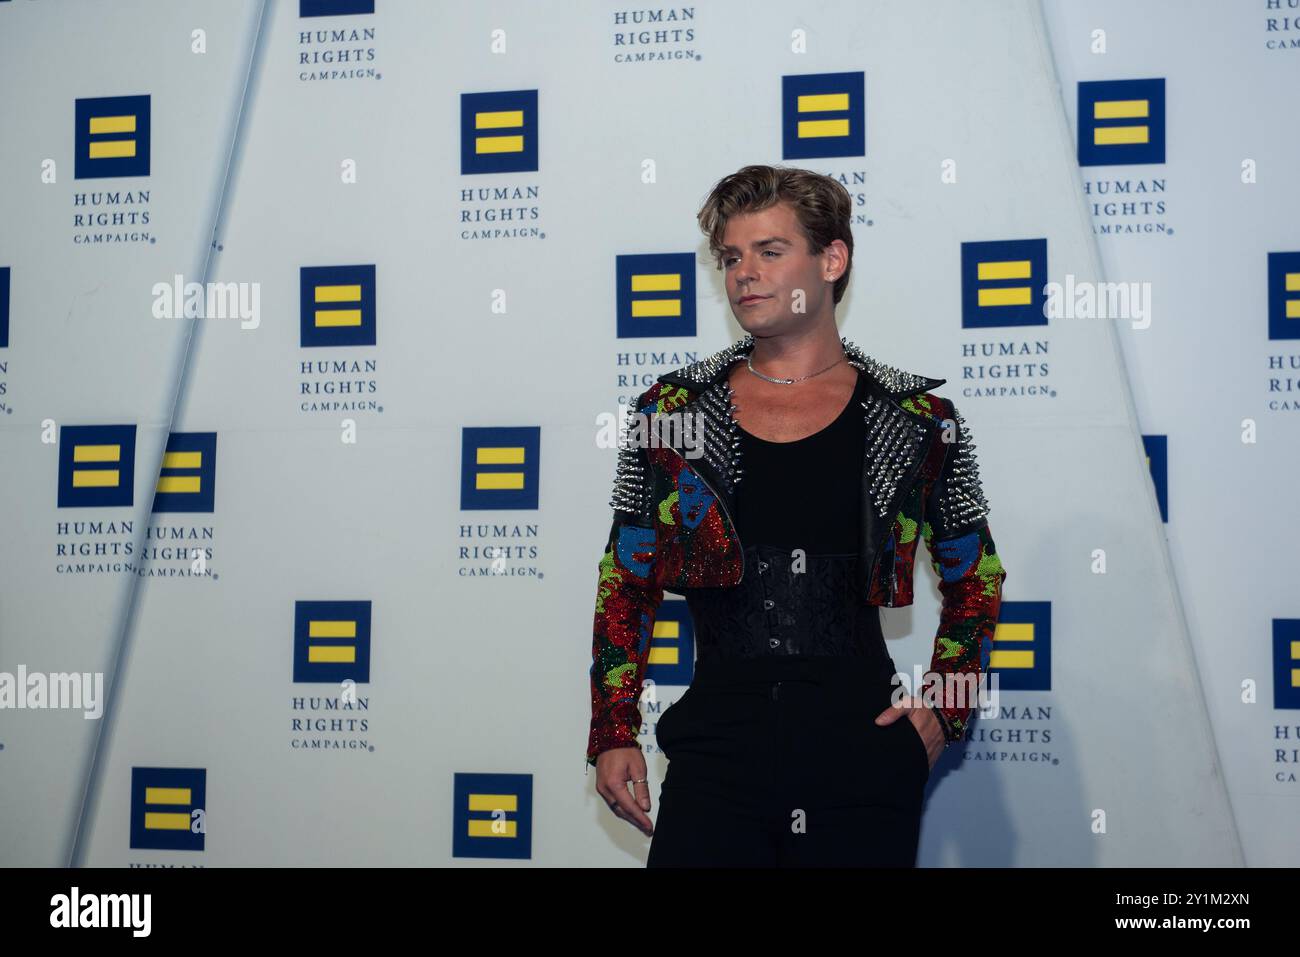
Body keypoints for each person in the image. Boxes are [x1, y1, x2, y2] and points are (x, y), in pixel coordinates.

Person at [586, 164, 1007, 866]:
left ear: (832, 259)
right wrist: (612, 728)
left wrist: (945, 709)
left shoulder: (916, 421)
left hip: (864, 758)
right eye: (730, 257)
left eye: (769, 251)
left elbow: (977, 580)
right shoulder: (672, 414)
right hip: (714, 761)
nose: (744, 273)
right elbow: (625, 581)